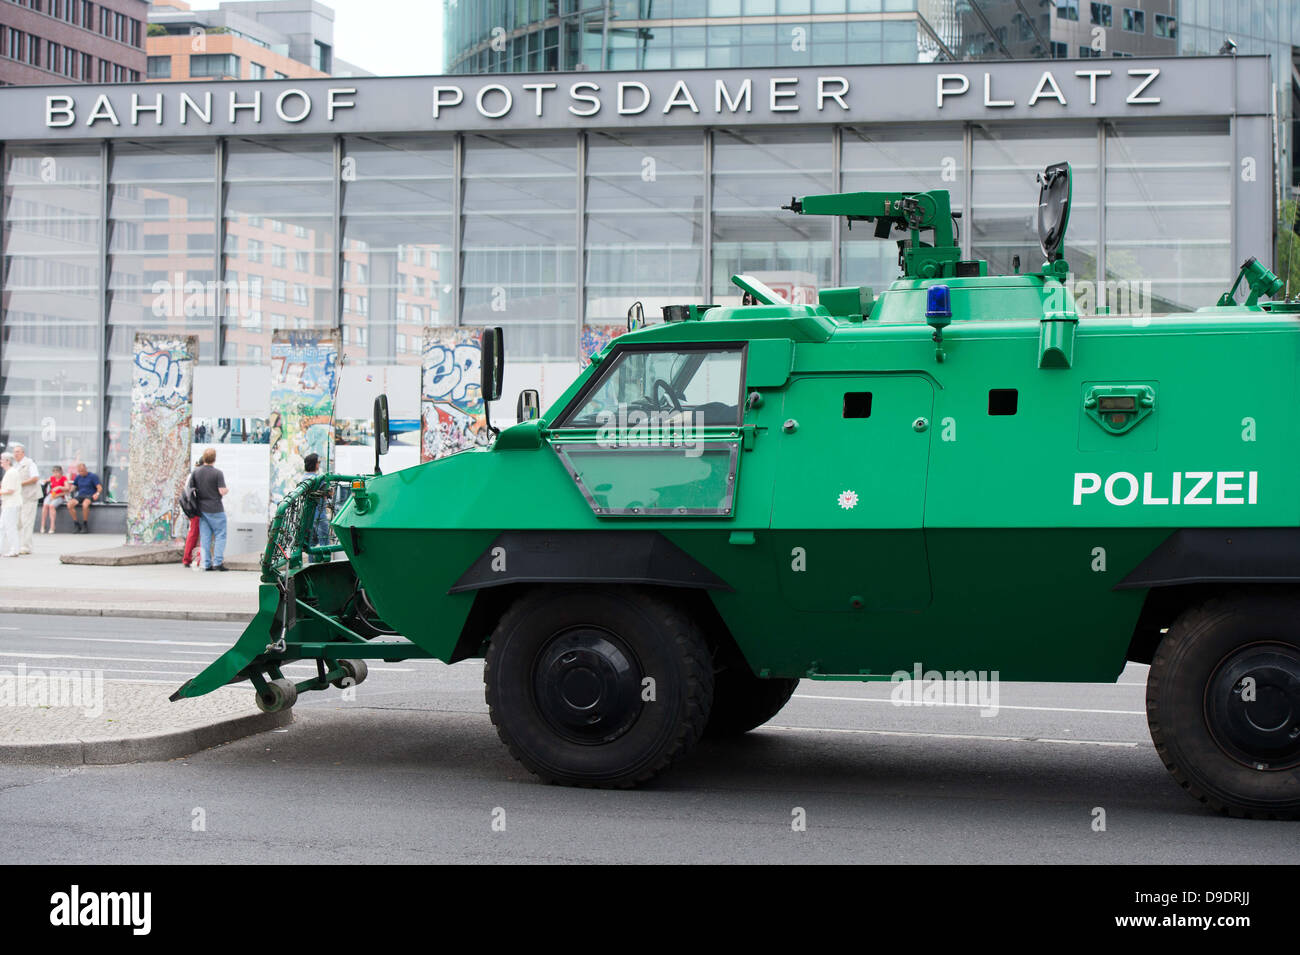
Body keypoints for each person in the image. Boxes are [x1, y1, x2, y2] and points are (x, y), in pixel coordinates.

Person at [192, 447, 229, 571]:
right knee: (220, 534)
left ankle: (206, 563)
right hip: (216, 508)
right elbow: (222, 491)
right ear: (214, 459)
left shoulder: (196, 472)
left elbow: (191, 491)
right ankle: (218, 562)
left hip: (202, 509)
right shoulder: (217, 473)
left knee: (205, 537)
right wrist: (226, 490)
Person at [11, 443, 40, 554]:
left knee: (27, 521)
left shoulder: (30, 463)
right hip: (19, 497)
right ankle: (18, 544)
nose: (15, 454)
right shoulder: (15, 465)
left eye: (18, 452)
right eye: (14, 452)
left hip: (30, 496)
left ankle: (26, 547)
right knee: (18, 522)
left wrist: (20, 483)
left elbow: (35, 478)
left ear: (23, 452)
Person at [303, 452, 332, 564]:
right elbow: (329, 493)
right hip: (320, 515)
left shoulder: (303, 478)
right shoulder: (319, 478)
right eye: (318, 462)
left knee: (312, 545)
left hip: (308, 517)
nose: (319, 464)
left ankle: (311, 565)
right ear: (314, 464)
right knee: (325, 544)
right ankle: (325, 566)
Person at [65, 462, 102, 533]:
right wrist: (69, 490)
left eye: (82, 471)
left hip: (90, 495)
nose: (81, 473)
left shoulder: (93, 476)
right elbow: (74, 486)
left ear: (85, 469)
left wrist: (97, 494)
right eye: (79, 471)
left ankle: (85, 524)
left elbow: (99, 488)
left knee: (85, 505)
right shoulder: (78, 477)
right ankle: (76, 524)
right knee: (69, 504)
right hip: (80, 495)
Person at [0, 453, 21, 557]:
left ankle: (14, 549)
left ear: (8, 461)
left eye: (2, 459)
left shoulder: (12, 473)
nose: (1, 461)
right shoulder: (9, 472)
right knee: (2, 527)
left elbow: (10, 490)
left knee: (10, 527)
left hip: (11, 504)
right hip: (7, 504)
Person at [181, 459, 201, 569]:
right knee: (202, 534)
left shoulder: (191, 475)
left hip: (192, 510)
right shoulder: (197, 476)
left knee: (193, 533)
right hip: (198, 509)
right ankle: (198, 559)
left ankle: (187, 558)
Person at [41, 464, 68, 533]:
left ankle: (52, 526)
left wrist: (60, 487)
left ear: (60, 472)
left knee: (51, 506)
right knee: (45, 505)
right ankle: (43, 525)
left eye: (57, 472)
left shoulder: (63, 478)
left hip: (59, 496)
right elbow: (44, 481)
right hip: (52, 495)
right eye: (54, 472)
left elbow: (68, 489)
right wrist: (44, 482)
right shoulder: (52, 478)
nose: (55, 474)